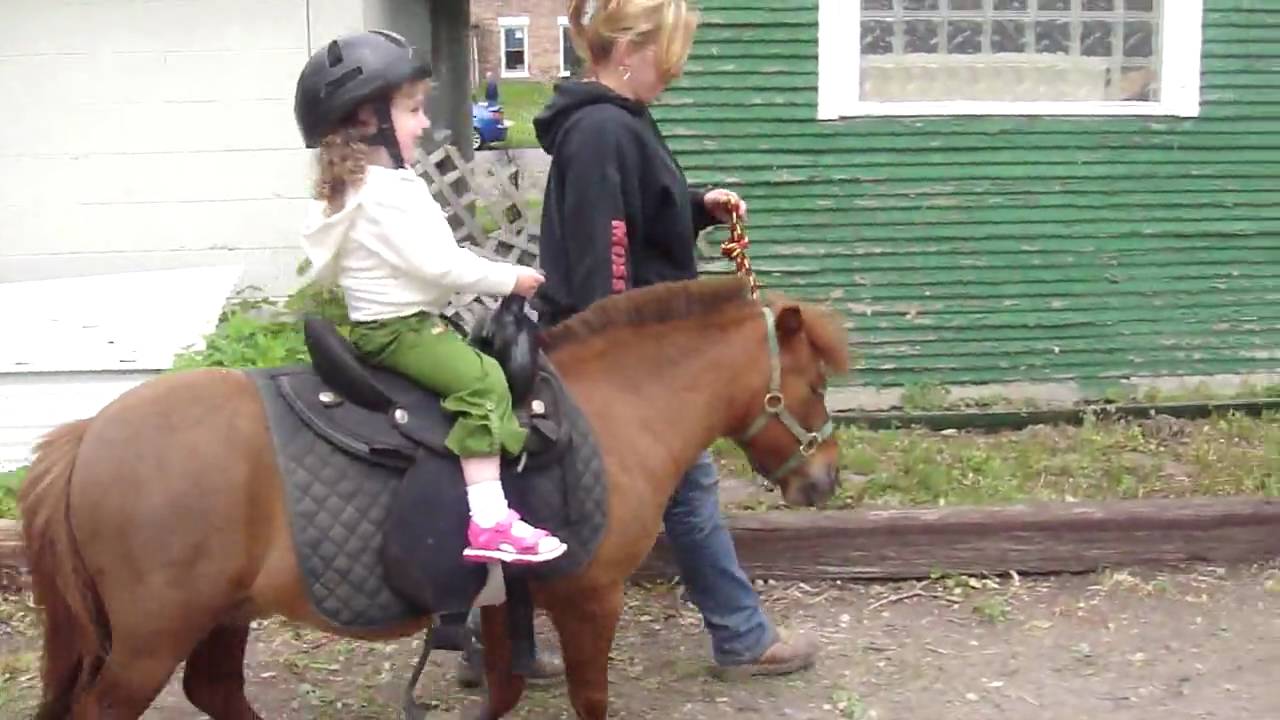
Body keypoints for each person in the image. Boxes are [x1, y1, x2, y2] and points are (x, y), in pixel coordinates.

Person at [452, 0, 821, 684]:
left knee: (552, 495)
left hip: (624, 354)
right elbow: (607, 254)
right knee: (681, 489)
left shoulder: (618, 122)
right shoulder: (601, 132)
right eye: (667, 57)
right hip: (622, 360)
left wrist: (697, 206)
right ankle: (739, 637)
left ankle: (501, 648)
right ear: (627, 51)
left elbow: (639, 213)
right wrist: (627, 370)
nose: (674, 72)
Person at [292, 30, 566, 566]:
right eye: (413, 110)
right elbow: (441, 265)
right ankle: (489, 520)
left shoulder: (369, 187)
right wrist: (512, 279)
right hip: (400, 329)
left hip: (393, 323)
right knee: (482, 381)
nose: (423, 123)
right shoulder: (384, 195)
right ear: (368, 119)